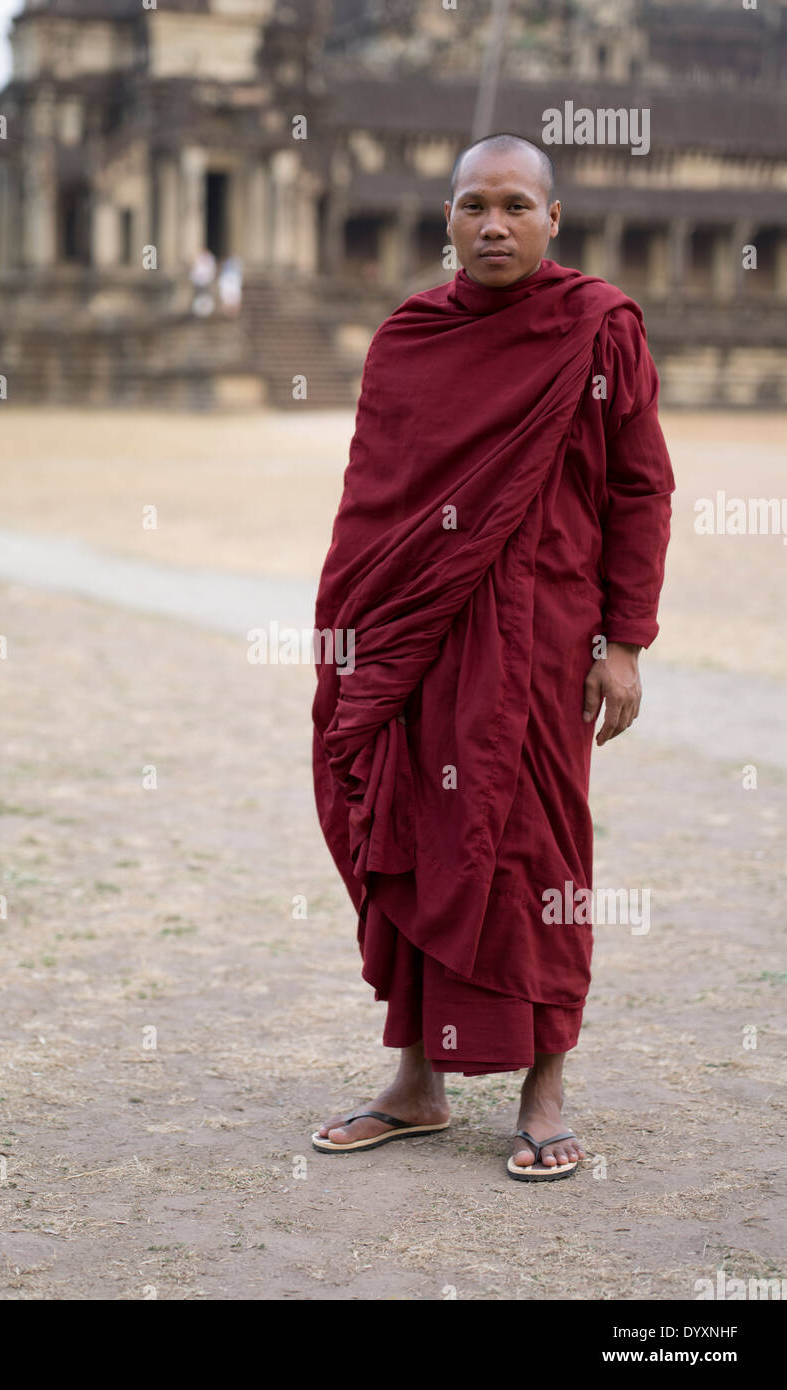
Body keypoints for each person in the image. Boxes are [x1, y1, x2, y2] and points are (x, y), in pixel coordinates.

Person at [310, 133, 675, 1181]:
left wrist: (627, 641)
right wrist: (353, 631)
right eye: (474, 206)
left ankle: (543, 1087)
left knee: (537, 854)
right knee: (418, 832)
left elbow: (639, 490)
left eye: (516, 205)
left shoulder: (597, 330)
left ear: (553, 219)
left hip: (543, 640)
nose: (494, 225)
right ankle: (416, 1080)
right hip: (415, 637)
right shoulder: (410, 337)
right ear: (446, 220)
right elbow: (372, 501)